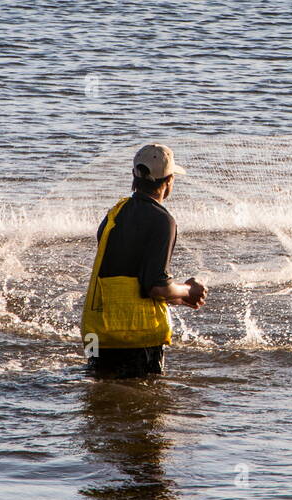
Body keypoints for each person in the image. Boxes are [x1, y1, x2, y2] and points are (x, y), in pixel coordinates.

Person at [81, 144, 207, 378]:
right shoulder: (162, 220)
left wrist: (177, 298)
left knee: (101, 392)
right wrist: (188, 290)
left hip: (97, 332)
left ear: (134, 176)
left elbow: (125, 278)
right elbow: (156, 286)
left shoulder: (114, 213)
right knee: (146, 398)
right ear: (168, 181)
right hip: (135, 334)